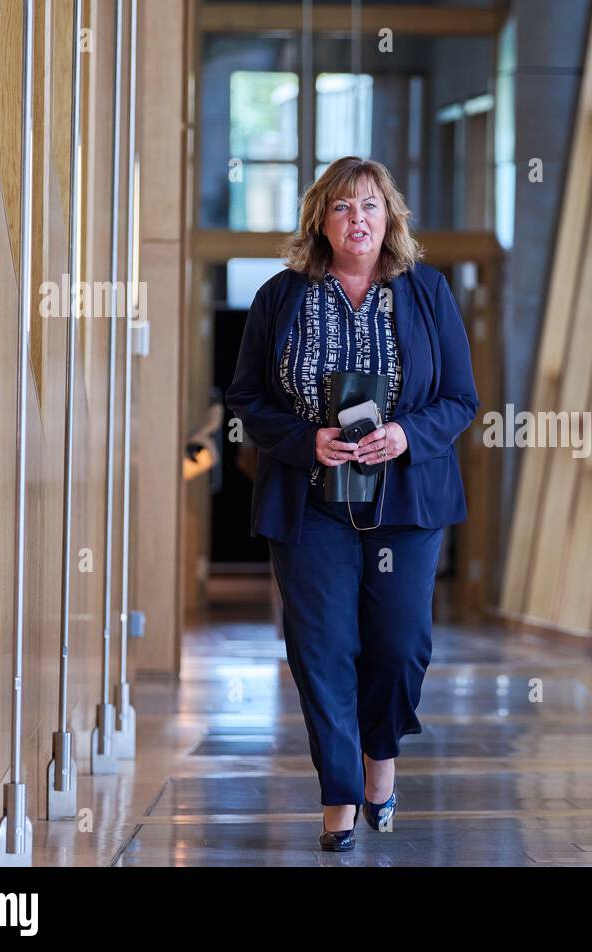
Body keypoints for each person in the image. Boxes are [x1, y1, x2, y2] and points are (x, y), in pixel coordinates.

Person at [226, 156, 479, 851]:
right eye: (341, 207)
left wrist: (403, 434)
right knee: (322, 651)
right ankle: (340, 796)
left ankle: (381, 757)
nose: (357, 219)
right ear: (320, 220)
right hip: (311, 506)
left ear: (389, 217)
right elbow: (244, 399)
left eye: (369, 206)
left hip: (404, 503)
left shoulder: (427, 292)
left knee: (400, 647)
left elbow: (462, 399)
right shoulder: (281, 297)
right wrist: (310, 441)